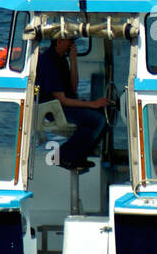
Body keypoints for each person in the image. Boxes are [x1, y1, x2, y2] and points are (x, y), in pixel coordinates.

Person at [36, 38, 109, 171]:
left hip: (64, 105)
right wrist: (92, 104)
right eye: (70, 41)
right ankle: (62, 156)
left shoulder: (61, 59)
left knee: (104, 117)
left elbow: (73, 87)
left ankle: (79, 155)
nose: (73, 45)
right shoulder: (48, 62)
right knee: (97, 120)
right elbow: (62, 100)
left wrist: (73, 60)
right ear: (58, 42)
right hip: (53, 109)